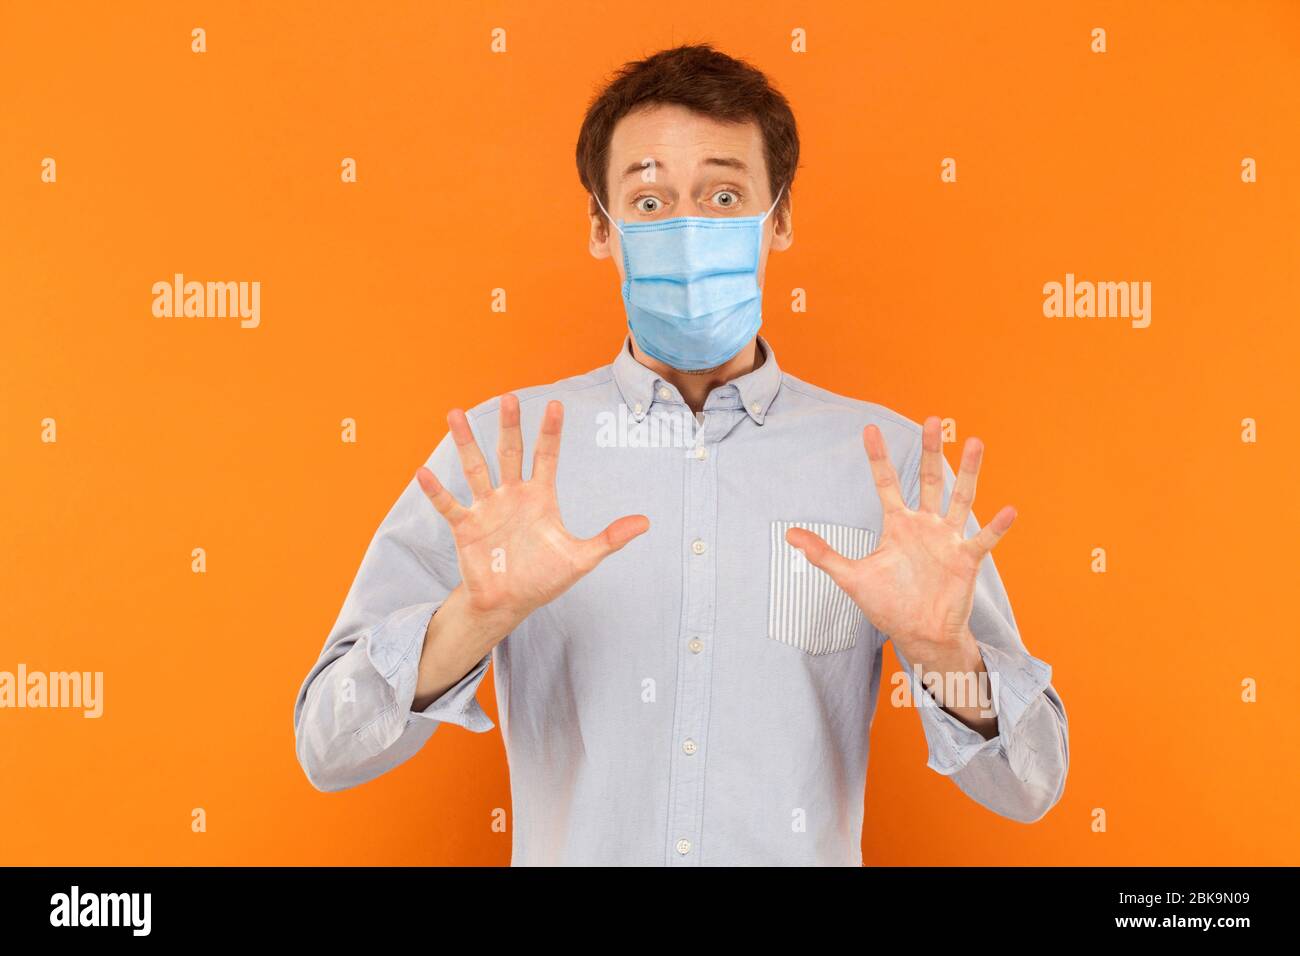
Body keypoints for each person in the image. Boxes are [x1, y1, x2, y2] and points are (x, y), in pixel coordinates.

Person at [292, 43, 1068, 866]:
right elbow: (329, 750)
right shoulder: (499, 460)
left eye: (725, 194)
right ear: (602, 225)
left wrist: (945, 656)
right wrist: (472, 621)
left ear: (781, 218)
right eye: (651, 199)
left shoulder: (891, 468)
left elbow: (1028, 785)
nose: (690, 230)